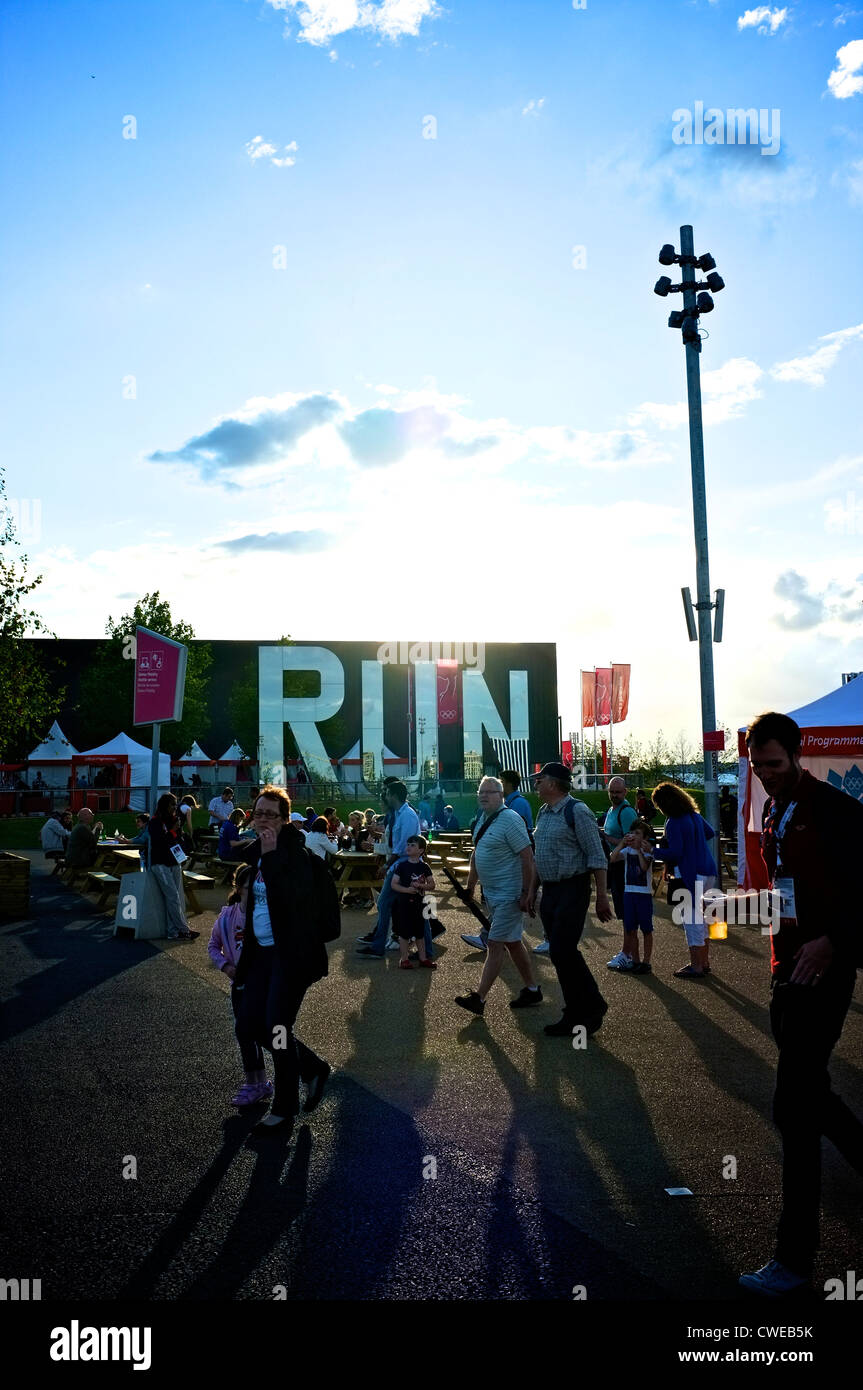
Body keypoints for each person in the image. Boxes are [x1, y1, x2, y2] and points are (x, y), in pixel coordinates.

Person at [738, 711, 863, 1297]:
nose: (766, 776)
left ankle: (793, 1260)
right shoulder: (772, 808)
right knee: (813, 1096)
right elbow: (782, 893)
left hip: (824, 975)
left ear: (797, 753)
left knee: (795, 1111)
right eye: (758, 767)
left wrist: (834, 940)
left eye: (775, 765)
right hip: (785, 969)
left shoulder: (835, 810)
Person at [233, 787, 332, 1134]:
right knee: (251, 1025)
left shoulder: (296, 855)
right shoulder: (258, 852)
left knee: (276, 1026)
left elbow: (292, 901)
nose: (262, 819)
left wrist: (272, 854)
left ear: (285, 819)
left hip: (291, 957)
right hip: (260, 954)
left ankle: (284, 1107)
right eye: (257, 812)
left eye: (270, 814)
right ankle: (313, 1067)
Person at [530, 761, 613, 1037]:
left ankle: (583, 1010)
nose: (536, 783)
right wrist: (531, 891)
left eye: (540, 779)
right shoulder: (543, 812)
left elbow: (596, 856)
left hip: (573, 888)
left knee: (562, 950)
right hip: (551, 891)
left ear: (553, 783)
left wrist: (602, 896)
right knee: (560, 951)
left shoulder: (577, 811)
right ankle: (586, 1006)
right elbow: (539, 857)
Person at [454, 777, 540, 1016]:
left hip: (510, 895)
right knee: (512, 942)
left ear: (501, 795)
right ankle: (532, 989)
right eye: (481, 792)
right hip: (493, 894)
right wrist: (470, 886)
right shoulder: (483, 818)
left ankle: (479, 999)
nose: (483, 796)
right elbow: (476, 854)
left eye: (490, 792)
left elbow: (527, 857)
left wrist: (526, 893)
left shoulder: (510, 819)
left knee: (494, 943)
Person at [208, 864, 274, 1108]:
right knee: (245, 1033)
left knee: (256, 1032)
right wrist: (225, 966)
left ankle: (262, 1081)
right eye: (252, 889)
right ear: (240, 888)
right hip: (239, 983)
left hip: (261, 983)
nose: (257, 894)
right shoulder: (227, 916)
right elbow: (213, 945)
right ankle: (256, 1082)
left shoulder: (265, 918)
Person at [651, 782, 717, 979]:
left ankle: (696, 965)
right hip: (708, 870)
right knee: (702, 918)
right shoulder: (694, 816)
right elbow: (710, 832)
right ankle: (704, 962)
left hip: (689, 873)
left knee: (692, 919)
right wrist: (693, 843)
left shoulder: (674, 822)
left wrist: (651, 850)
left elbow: (675, 852)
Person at [356, 781, 424, 959]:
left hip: (403, 867)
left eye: (386, 793)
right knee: (397, 906)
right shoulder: (400, 814)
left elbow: (402, 847)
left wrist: (386, 864)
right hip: (401, 866)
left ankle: (379, 946)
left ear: (393, 795)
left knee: (396, 906)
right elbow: (397, 845)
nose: (384, 797)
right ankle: (380, 945)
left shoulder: (406, 815)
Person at [145, 793, 199, 941]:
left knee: (176, 897)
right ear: (164, 806)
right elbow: (159, 842)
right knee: (172, 896)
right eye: (172, 805)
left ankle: (172, 931)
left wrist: (182, 852)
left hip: (175, 862)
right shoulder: (155, 822)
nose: (175, 807)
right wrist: (173, 831)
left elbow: (178, 840)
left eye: (175, 804)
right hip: (160, 863)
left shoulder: (175, 820)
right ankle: (183, 929)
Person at [607, 819, 655, 974]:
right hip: (629, 893)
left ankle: (646, 962)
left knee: (647, 930)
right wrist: (622, 844)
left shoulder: (647, 851)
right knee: (631, 929)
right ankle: (635, 960)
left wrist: (640, 850)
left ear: (645, 838)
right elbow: (612, 858)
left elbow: (643, 868)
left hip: (644, 895)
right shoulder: (627, 851)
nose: (633, 835)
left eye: (638, 833)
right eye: (632, 832)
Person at [391, 835, 437, 969]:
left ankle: (423, 958)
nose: (409, 847)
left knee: (420, 932)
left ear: (421, 850)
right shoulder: (401, 866)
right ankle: (404, 959)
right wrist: (407, 890)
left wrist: (420, 886)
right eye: (408, 844)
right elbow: (394, 884)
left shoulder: (424, 867)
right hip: (404, 904)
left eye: (413, 845)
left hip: (420, 904)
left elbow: (432, 885)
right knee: (404, 933)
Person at [600, 777, 638, 927]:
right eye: (612, 792)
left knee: (626, 908)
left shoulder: (626, 812)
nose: (614, 795)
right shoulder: (611, 810)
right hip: (615, 863)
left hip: (624, 864)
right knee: (621, 908)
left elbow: (631, 841)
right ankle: (627, 947)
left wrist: (606, 837)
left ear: (625, 792)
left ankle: (629, 948)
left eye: (618, 792)